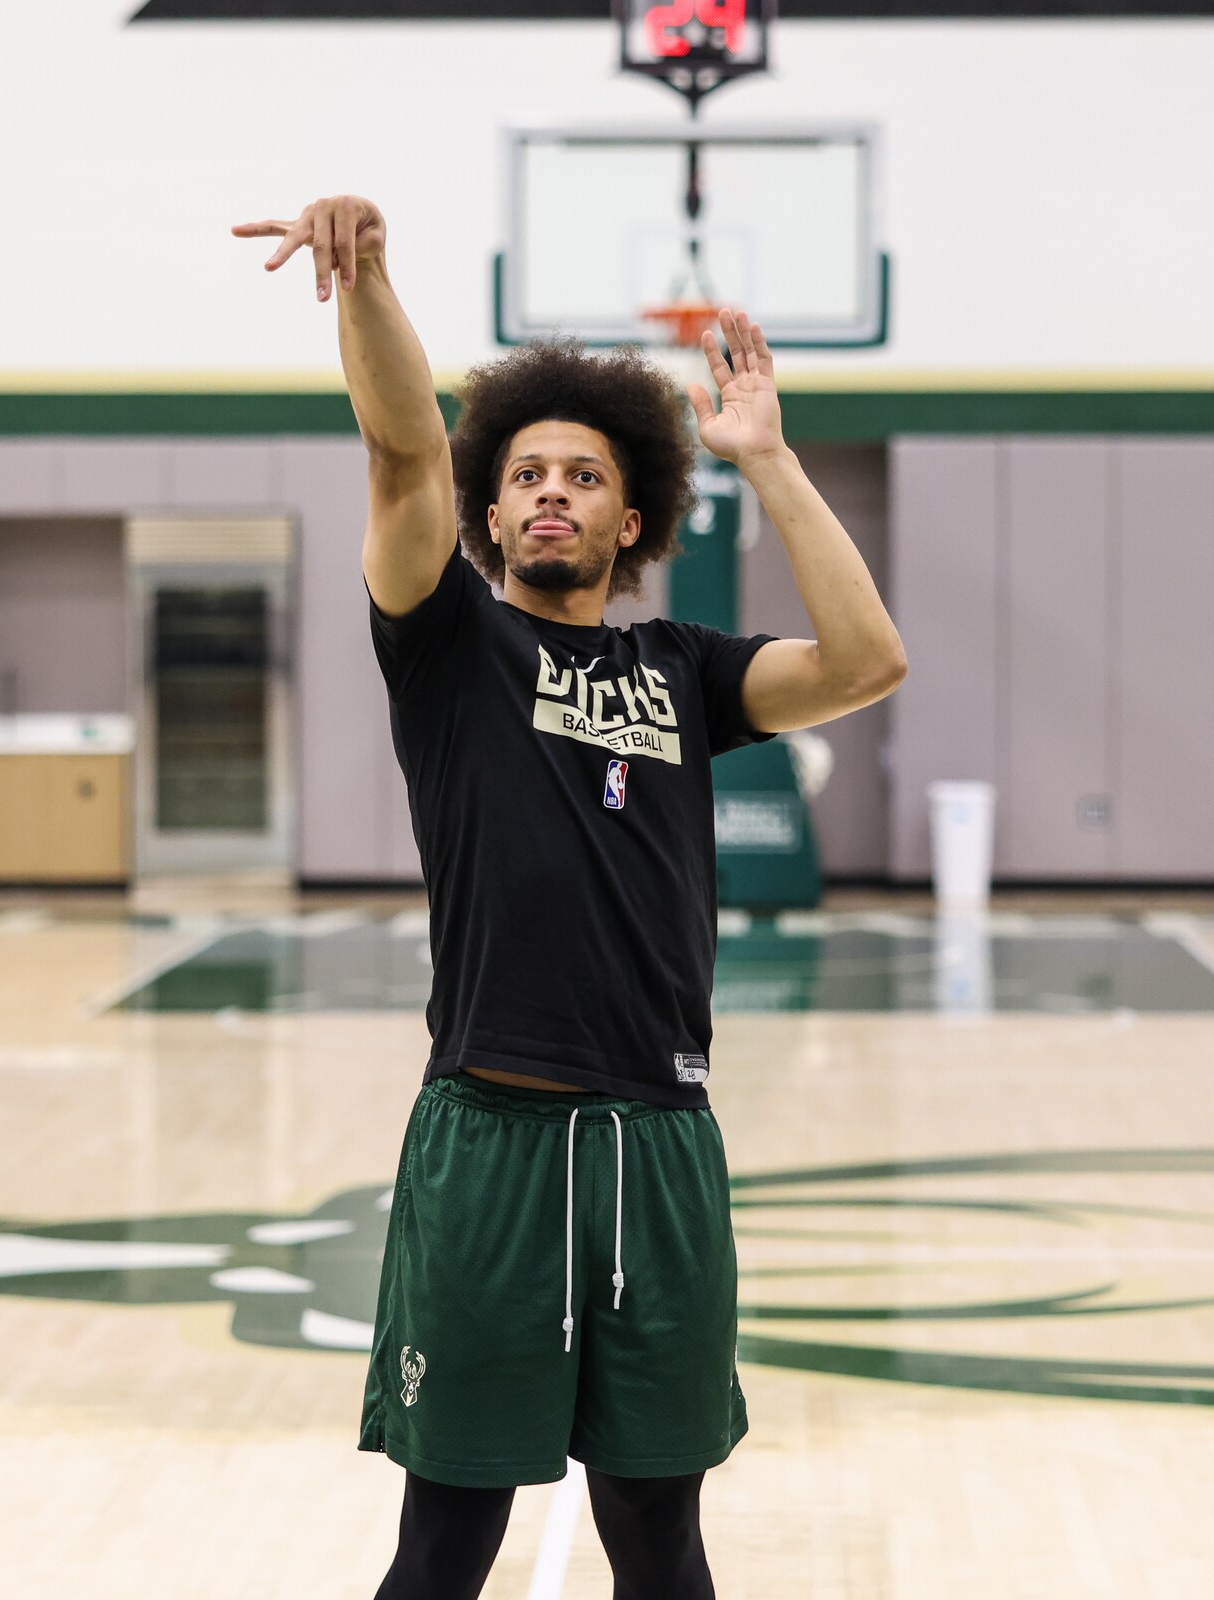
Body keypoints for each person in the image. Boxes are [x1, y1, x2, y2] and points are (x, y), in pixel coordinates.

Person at [234, 195, 907, 1599]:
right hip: (491, 1136)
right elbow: (401, 443)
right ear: (489, 512)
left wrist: (771, 461)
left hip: (659, 1140)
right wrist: (365, 280)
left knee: (661, 1539)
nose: (551, 491)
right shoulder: (448, 646)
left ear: (633, 516)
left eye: (584, 476)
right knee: (447, 1541)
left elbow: (866, 661)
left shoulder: (684, 670)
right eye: (527, 473)